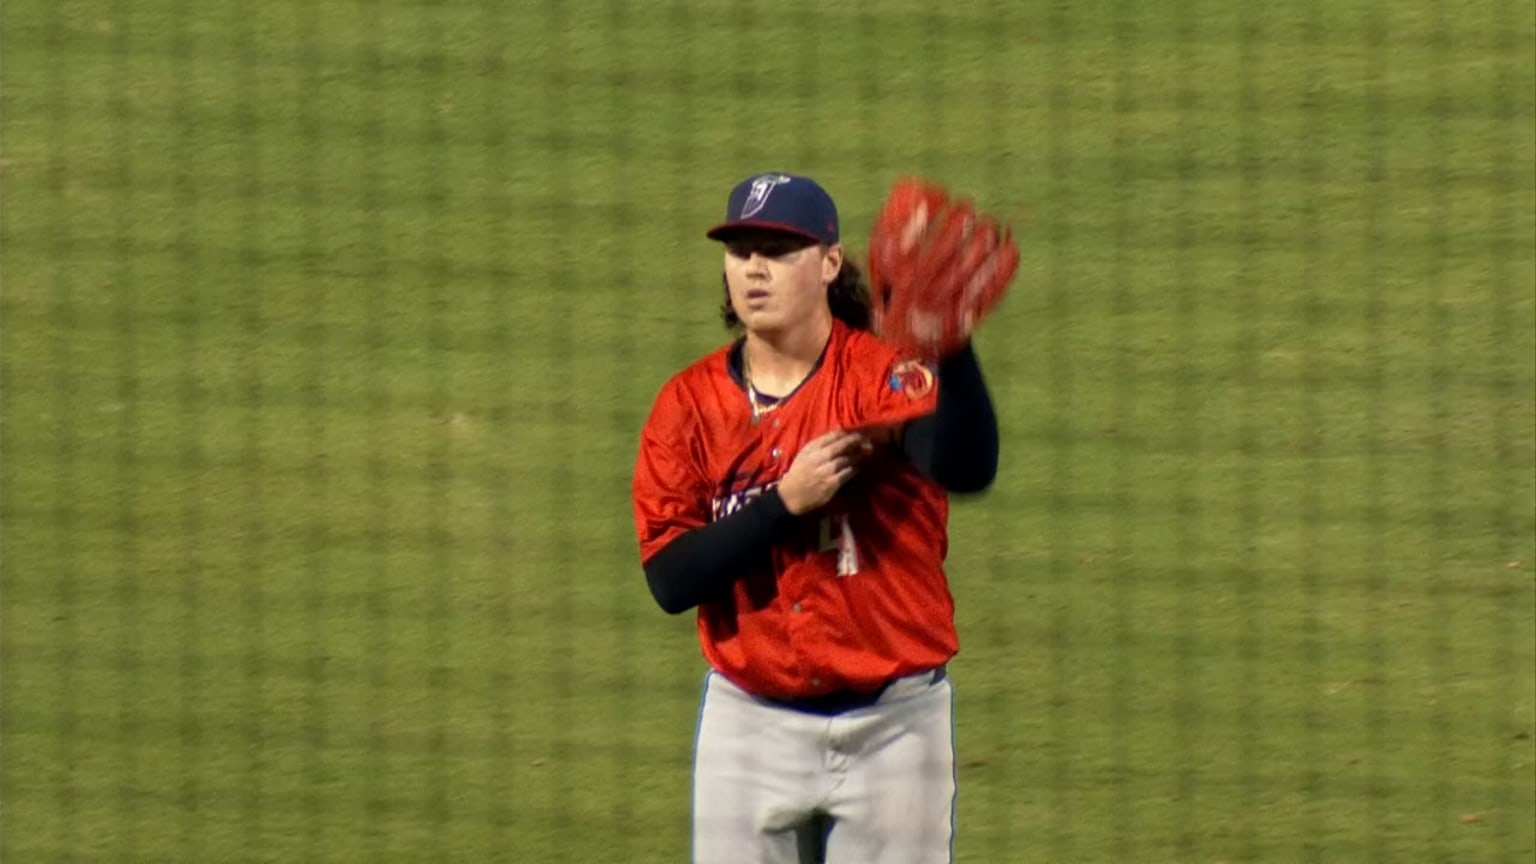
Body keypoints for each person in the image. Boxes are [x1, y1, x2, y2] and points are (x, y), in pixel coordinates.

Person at [631, 171, 1001, 864]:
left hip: (893, 730)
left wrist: (952, 349)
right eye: (742, 252)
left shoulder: (883, 377)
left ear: (830, 264)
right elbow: (671, 581)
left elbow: (965, 466)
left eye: (780, 249)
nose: (756, 269)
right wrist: (785, 502)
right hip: (747, 730)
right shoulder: (687, 406)